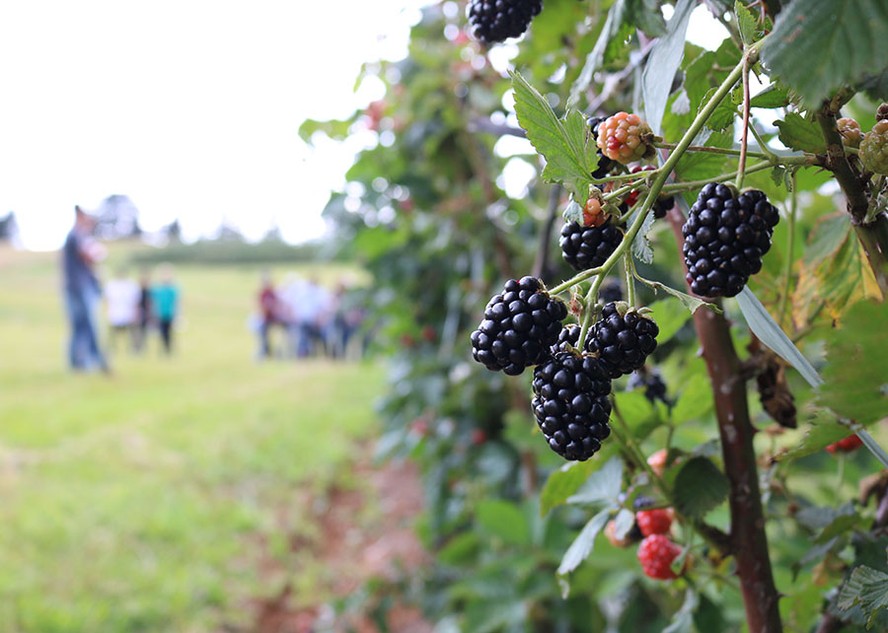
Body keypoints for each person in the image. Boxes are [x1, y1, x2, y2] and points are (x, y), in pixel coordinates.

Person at [61, 205, 109, 372]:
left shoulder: (75, 236)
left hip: (75, 287)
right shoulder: (77, 235)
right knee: (86, 325)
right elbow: (90, 255)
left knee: (80, 326)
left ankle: (81, 363)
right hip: (80, 288)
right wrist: (99, 251)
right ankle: (90, 362)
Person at [105, 267, 140, 353]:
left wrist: (135, 313)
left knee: (131, 332)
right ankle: (112, 348)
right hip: (115, 312)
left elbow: (135, 300)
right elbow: (107, 300)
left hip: (128, 312)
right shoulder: (112, 285)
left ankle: (134, 349)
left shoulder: (131, 285)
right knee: (113, 332)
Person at [150, 264, 179, 355]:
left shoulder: (172, 288)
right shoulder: (158, 288)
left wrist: (177, 315)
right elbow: (154, 301)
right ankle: (163, 350)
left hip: (170, 314)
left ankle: (169, 350)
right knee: (161, 333)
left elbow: (176, 302)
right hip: (160, 314)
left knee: (169, 334)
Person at [256, 271, 282, 358]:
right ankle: (265, 352)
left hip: (274, 319)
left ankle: (277, 353)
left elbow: (277, 305)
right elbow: (260, 307)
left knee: (278, 336)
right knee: (263, 335)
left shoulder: (273, 293)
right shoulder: (262, 294)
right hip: (265, 319)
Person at [134, 267, 153, 353]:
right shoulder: (137, 290)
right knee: (137, 332)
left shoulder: (150, 290)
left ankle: (144, 348)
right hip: (139, 313)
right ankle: (138, 348)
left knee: (146, 331)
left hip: (147, 313)